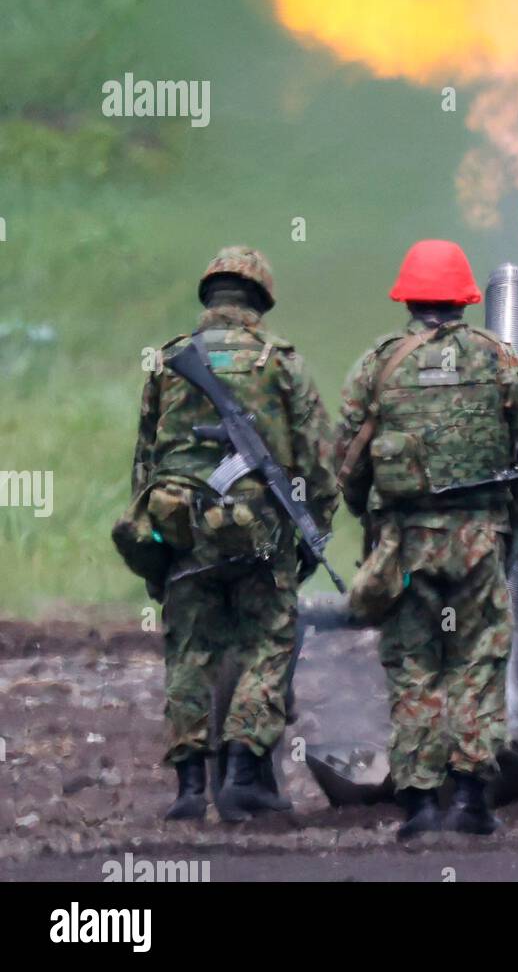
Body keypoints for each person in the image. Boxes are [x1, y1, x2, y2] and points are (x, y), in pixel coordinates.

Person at [114, 246, 338, 822]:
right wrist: (315, 534)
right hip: (260, 536)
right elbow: (319, 461)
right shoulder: (280, 360)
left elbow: (145, 461)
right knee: (268, 645)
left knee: (189, 651)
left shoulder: (168, 362)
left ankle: (190, 787)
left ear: (209, 297)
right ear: (260, 301)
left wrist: (152, 538)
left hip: (182, 532)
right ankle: (242, 772)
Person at [334, 239, 518, 837]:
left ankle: (420, 806)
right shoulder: (499, 360)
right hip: (479, 539)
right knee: (477, 662)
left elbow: (346, 459)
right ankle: (472, 800)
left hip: (405, 545)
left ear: (409, 297)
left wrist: (370, 524)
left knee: (414, 667)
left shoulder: (378, 363)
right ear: (463, 299)